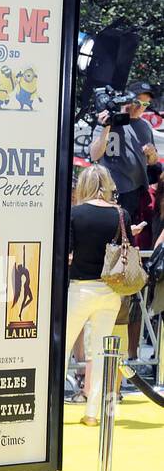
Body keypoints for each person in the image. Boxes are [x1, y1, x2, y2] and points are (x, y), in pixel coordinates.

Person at [66, 164, 146, 425]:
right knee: (100, 353)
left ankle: (48, 407)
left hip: (80, 288)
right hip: (110, 291)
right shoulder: (121, 215)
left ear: (84, 186)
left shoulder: (75, 214)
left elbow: (67, 255)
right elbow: (129, 249)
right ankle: (92, 414)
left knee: (61, 351)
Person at [89, 82, 159, 229]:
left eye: (146, 104)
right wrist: (106, 127)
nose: (141, 107)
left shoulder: (145, 126)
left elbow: (153, 161)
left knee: (130, 236)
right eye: (137, 102)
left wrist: (152, 153)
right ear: (127, 99)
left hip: (135, 192)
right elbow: (94, 155)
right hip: (110, 192)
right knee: (111, 233)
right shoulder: (110, 119)